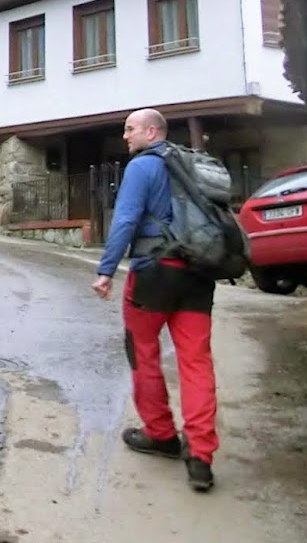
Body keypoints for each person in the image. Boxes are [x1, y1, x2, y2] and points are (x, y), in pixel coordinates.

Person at [91, 107, 218, 493]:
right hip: (198, 273)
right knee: (196, 362)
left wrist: (106, 269)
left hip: (154, 273)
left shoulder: (142, 167)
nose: (125, 136)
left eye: (130, 129)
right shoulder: (193, 165)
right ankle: (200, 458)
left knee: (143, 352)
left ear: (151, 131)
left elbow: (125, 220)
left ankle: (162, 435)